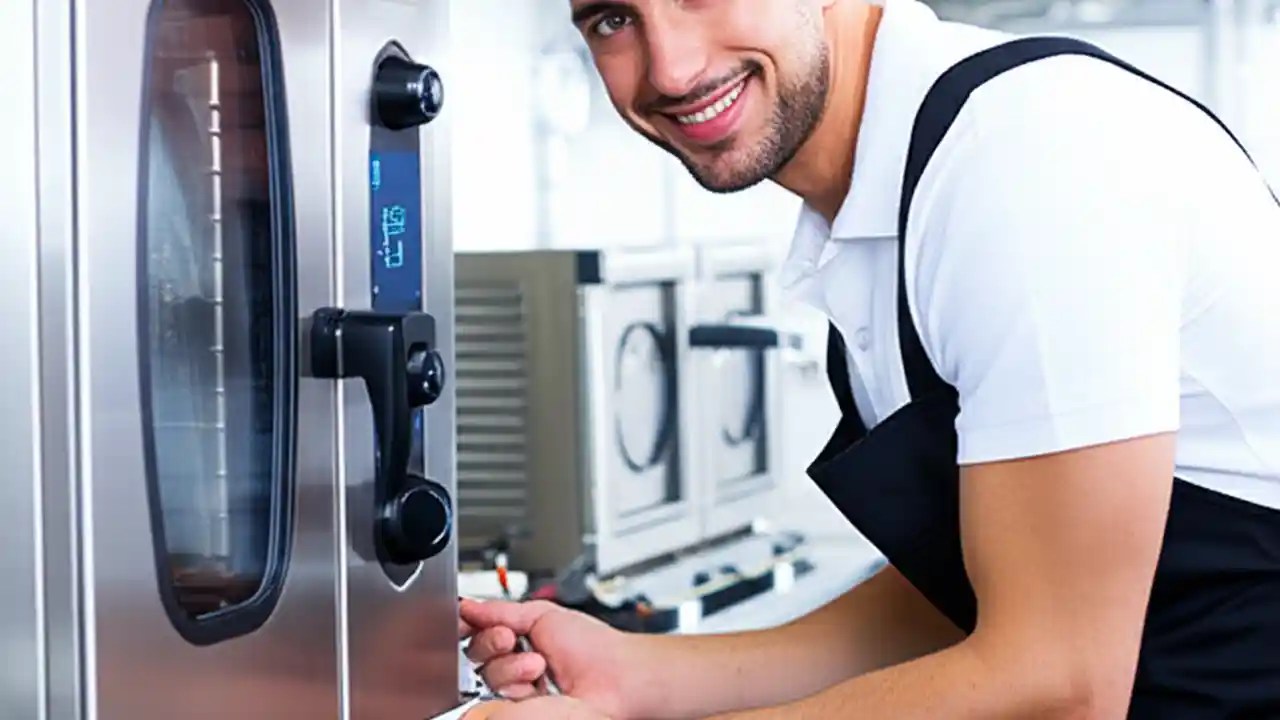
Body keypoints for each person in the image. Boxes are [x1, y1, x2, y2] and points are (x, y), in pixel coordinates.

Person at [460, 0, 1280, 718]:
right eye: (612, 20)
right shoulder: (884, 209)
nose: (670, 68)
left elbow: (1058, 684)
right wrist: (638, 675)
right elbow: (979, 597)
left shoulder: (1024, 156)